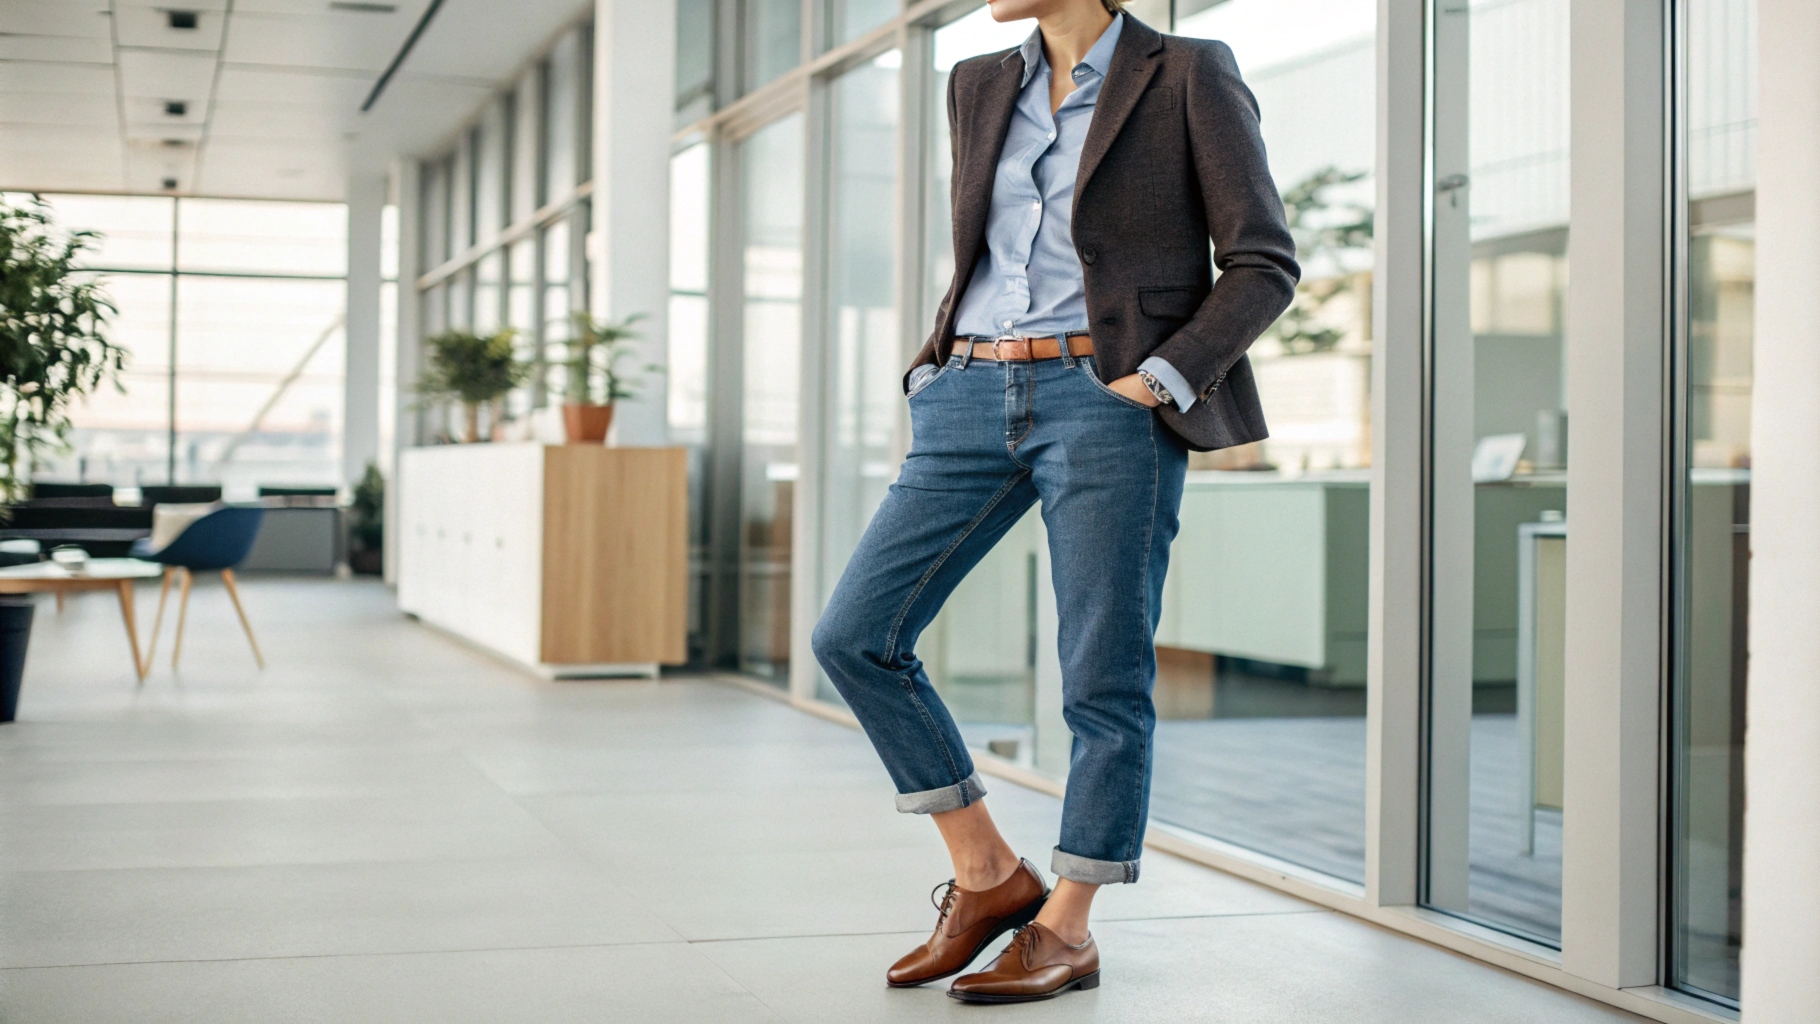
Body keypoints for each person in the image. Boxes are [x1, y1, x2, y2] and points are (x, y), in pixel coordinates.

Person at [810, 0, 1297, 1004]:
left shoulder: (1187, 73)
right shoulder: (977, 81)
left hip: (1105, 399)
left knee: (1100, 676)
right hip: (969, 392)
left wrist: (1159, 380)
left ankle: (1066, 925)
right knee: (853, 634)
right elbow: (983, 252)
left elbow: (1261, 263)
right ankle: (987, 874)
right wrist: (934, 369)